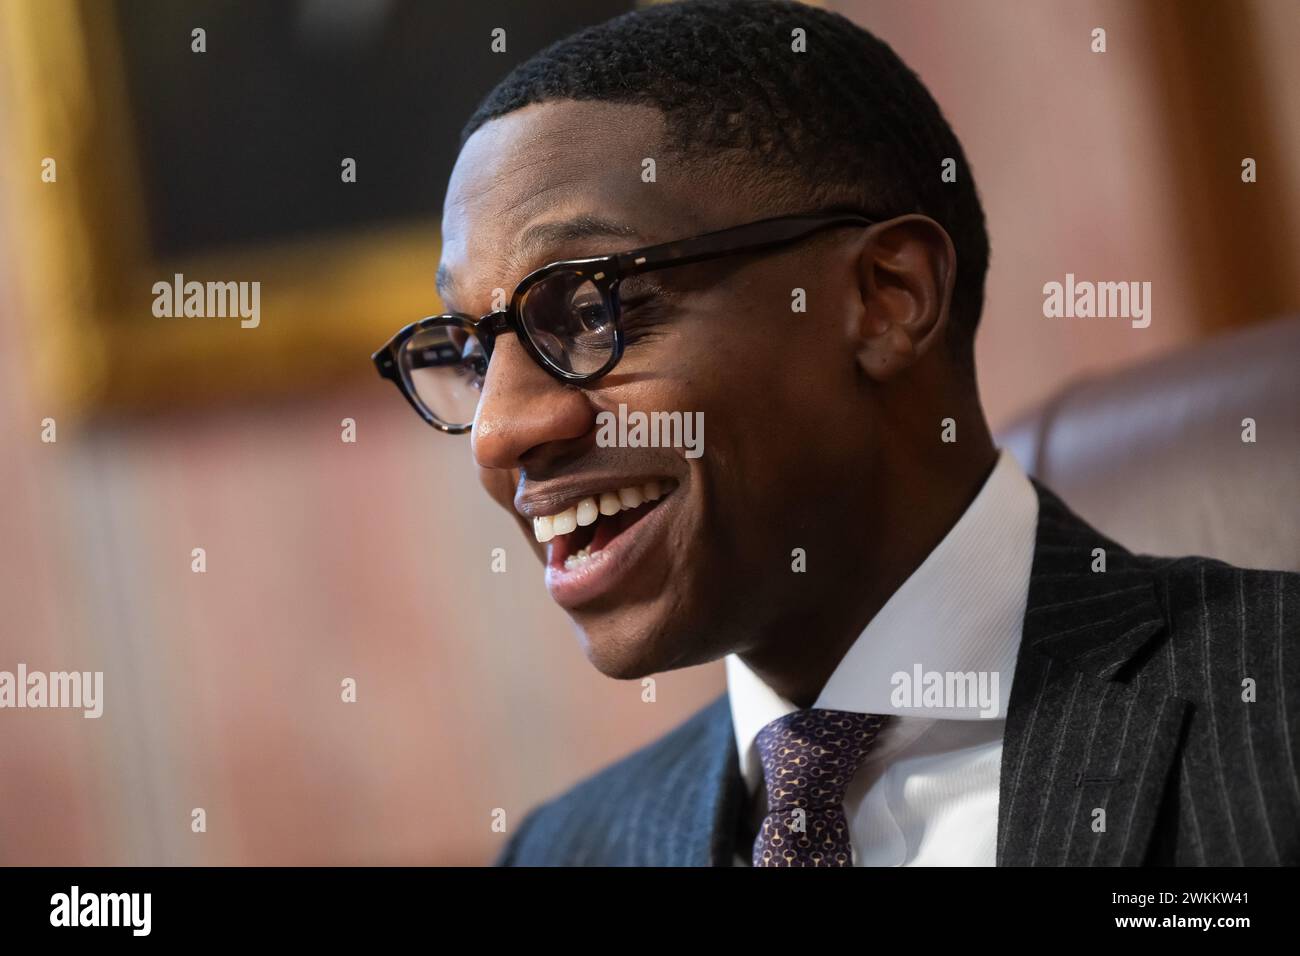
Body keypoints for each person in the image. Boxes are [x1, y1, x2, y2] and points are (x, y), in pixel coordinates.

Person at [372, 0, 1299, 866]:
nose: (497, 432)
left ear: (885, 299)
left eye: (587, 308)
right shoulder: (565, 849)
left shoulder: (1274, 709)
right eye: (467, 350)